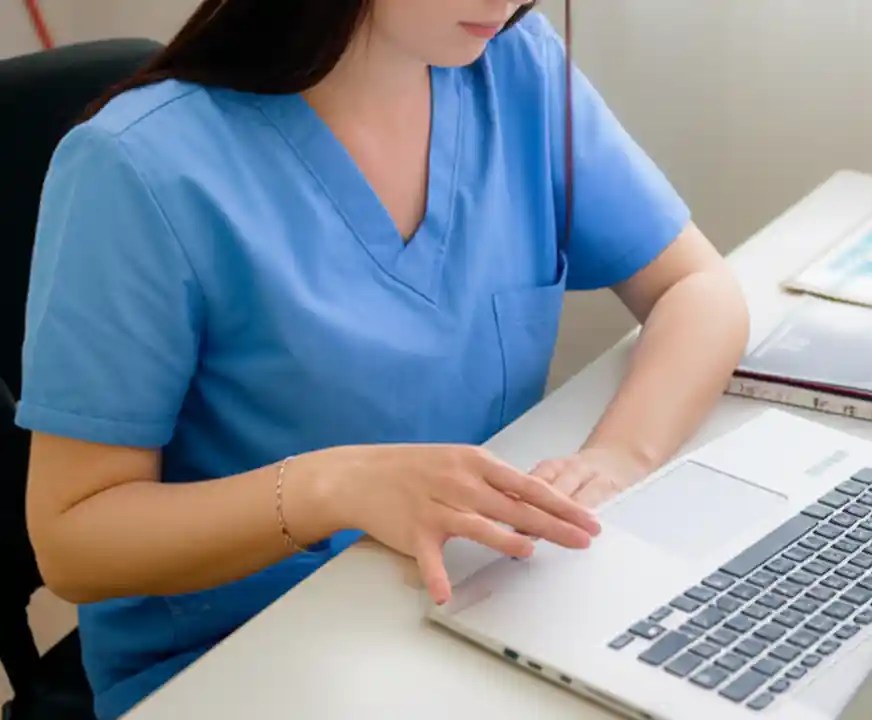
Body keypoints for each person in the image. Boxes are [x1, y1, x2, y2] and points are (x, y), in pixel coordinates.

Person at [16, 1, 750, 718]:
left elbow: (697, 286)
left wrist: (618, 458)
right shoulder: (135, 167)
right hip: (240, 659)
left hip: (490, 603)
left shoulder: (513, 66)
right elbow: (75, 543)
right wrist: (331, 488)